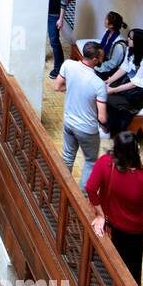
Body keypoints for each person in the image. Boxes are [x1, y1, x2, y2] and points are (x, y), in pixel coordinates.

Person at [85, 132, 143, 285]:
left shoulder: (106, 163)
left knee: (112, 263)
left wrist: (100, 214)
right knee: (133, 267)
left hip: (113, 225)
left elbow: (90, 188)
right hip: (135, 229)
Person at [52, 41, 108, 191]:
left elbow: (57, 86)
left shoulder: (68, 65)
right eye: (101, 57)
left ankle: (61, 190)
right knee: (90, 161)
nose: (103, 60)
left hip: (69, 122)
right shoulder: (98, 84)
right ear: (95, 60)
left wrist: (72, 89)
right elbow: (102, 118)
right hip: (87, 129)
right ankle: (83, 198)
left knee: (68, 156)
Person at [102, 27, 143, 138]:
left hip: (138, 92)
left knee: (110, 98)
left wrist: (113, 89)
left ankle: (111, 129)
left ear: (138, 42)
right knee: (102, 91)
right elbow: (124, 68)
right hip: (127, 82)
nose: (128, 40)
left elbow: (135, 83)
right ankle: (104, 124)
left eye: (130, 38)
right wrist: (108, 80)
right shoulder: (130, 50)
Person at [46, 0, 73, 80]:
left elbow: (64, 0)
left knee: (54, 40)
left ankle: (58, 67)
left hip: (53, 14)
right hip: (41, 12)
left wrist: (61, 19)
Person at [93, 11, 127, 81]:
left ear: (111, 25)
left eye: (106, 19)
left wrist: (98, 67)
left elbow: (113, 64)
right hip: (102, 60)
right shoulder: (108, 33)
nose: (104, 20)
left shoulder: (119, 45)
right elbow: (101, 47)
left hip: (108, 70)